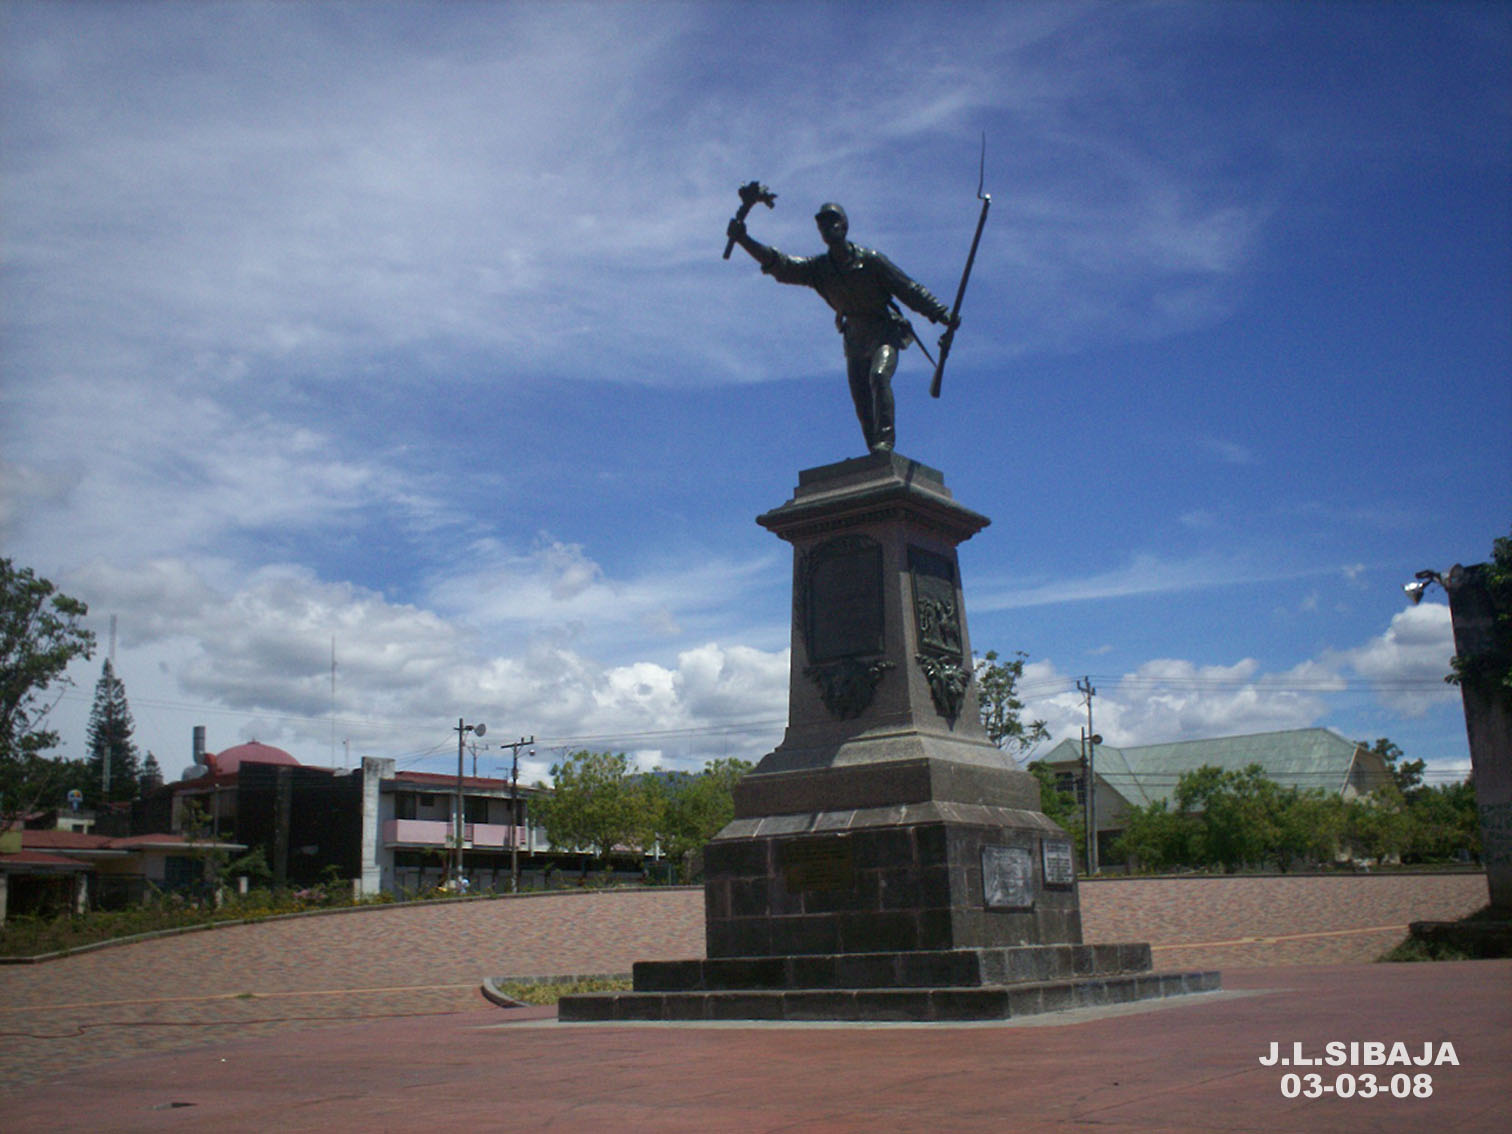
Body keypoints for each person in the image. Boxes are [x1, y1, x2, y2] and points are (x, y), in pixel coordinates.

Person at [727, 202, 957, 453]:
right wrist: (744, 240)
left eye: (832, 222)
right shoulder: (819, 269)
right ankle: (875, 456)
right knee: (862, 402)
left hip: (883, 331)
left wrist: (941, 313)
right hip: (854, 339)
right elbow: (782, 265)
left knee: (879, 376)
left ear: (844, 226)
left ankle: (886, 442)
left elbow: (909, 289)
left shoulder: (871, 260)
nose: (827, 228)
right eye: (822, 225)